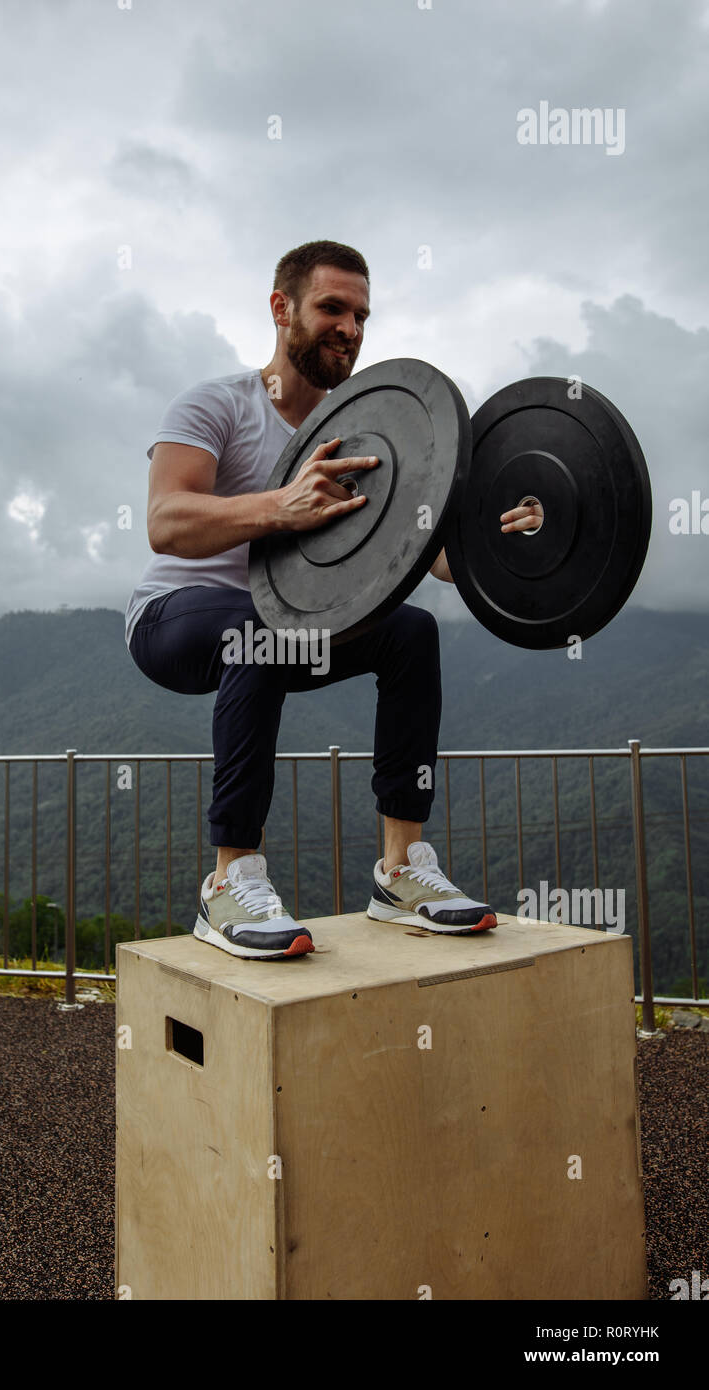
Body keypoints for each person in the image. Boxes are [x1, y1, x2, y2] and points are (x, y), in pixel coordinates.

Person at [126, 240, 541, 960]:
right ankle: (230, 881)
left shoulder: (374, 436)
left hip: (297, 625)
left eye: (361, 315)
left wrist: (498, 537)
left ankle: (401, 872)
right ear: (282, 309)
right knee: (254, 629)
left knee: (411, 633)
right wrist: (281, 508)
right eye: (331, 308)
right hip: (176, 615)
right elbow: (166, 523)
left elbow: (432, 556)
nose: (349, 327)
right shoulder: (216, 405)